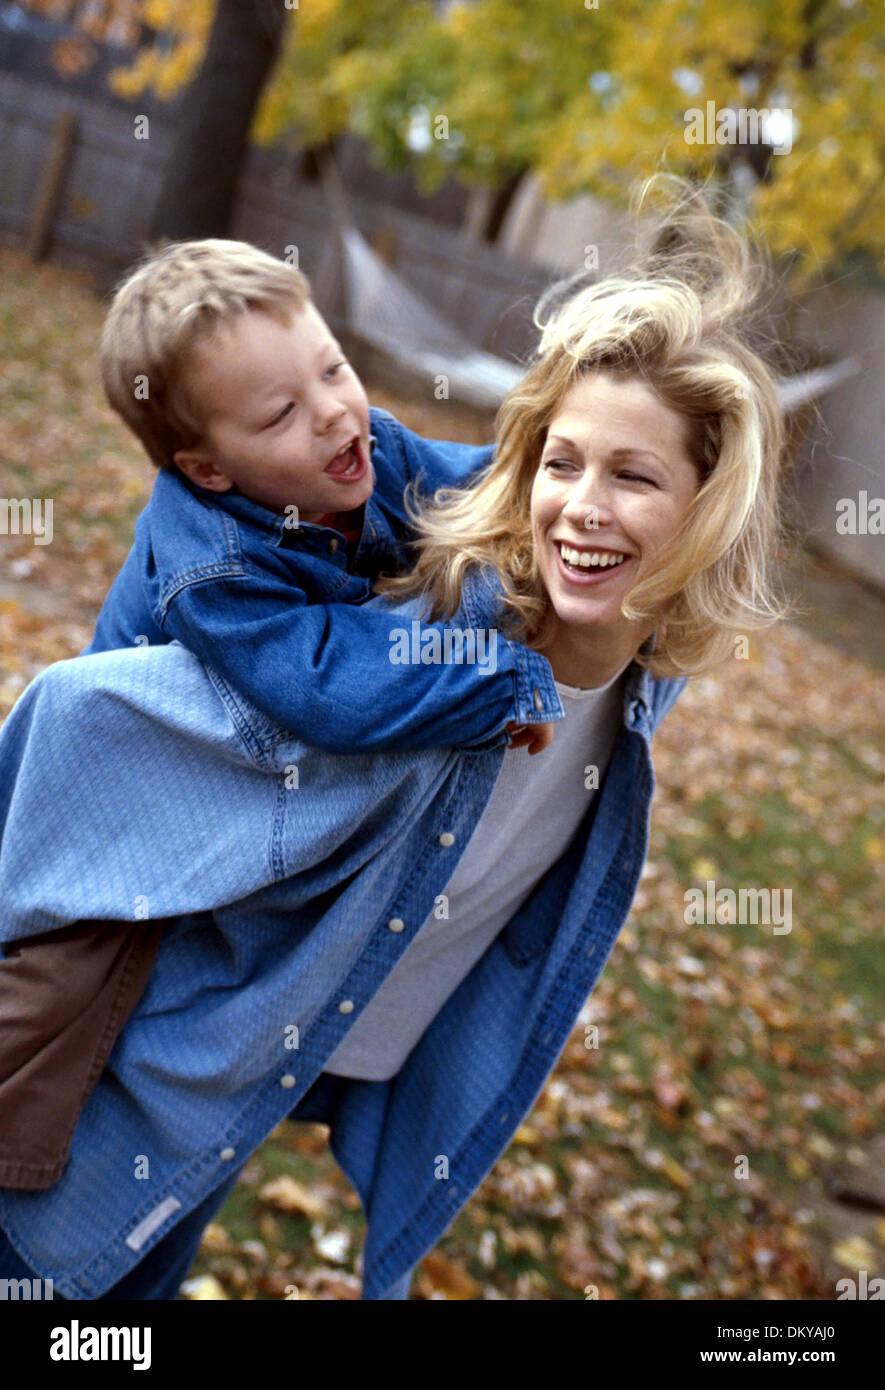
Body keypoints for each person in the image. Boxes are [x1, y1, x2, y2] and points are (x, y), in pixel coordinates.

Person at [0, 178, 790, 1300]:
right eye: (565, 465)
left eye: (334, 371)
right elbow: (269, 697)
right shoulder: (244, 580)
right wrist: (491, 672)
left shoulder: (379, 464)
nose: (331, 415)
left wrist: (540, 488)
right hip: (136, 972)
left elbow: (478, 476)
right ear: (210, 465)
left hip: (242, 1072)